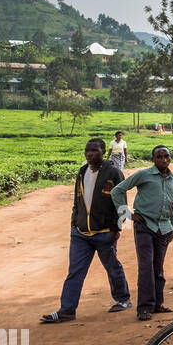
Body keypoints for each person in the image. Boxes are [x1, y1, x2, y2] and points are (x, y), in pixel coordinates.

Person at [40, 138, 131, 322]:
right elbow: (77, 200)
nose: (90, 154)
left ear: (103, 152)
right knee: (75, 271)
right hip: (81, 233)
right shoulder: (82, 172)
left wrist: (116, 227)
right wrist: (74, 222)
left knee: (112, 267)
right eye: (87, 150)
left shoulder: (113, 172)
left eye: (94, 150)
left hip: (105, 232)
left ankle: (122, 299)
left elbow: (122, 202)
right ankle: (67, 310)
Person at [112, 145, 173, 321]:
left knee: (158, 268)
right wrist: (128, 214)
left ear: (170, 158)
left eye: (166, 156)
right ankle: (144, 307)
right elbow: (117, 190)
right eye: (159, 157)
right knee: (146, 267)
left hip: (164, 228)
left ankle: (158, 304)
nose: (163, 160)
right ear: (153, 159)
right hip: (145, 226)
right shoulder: (144, 175)